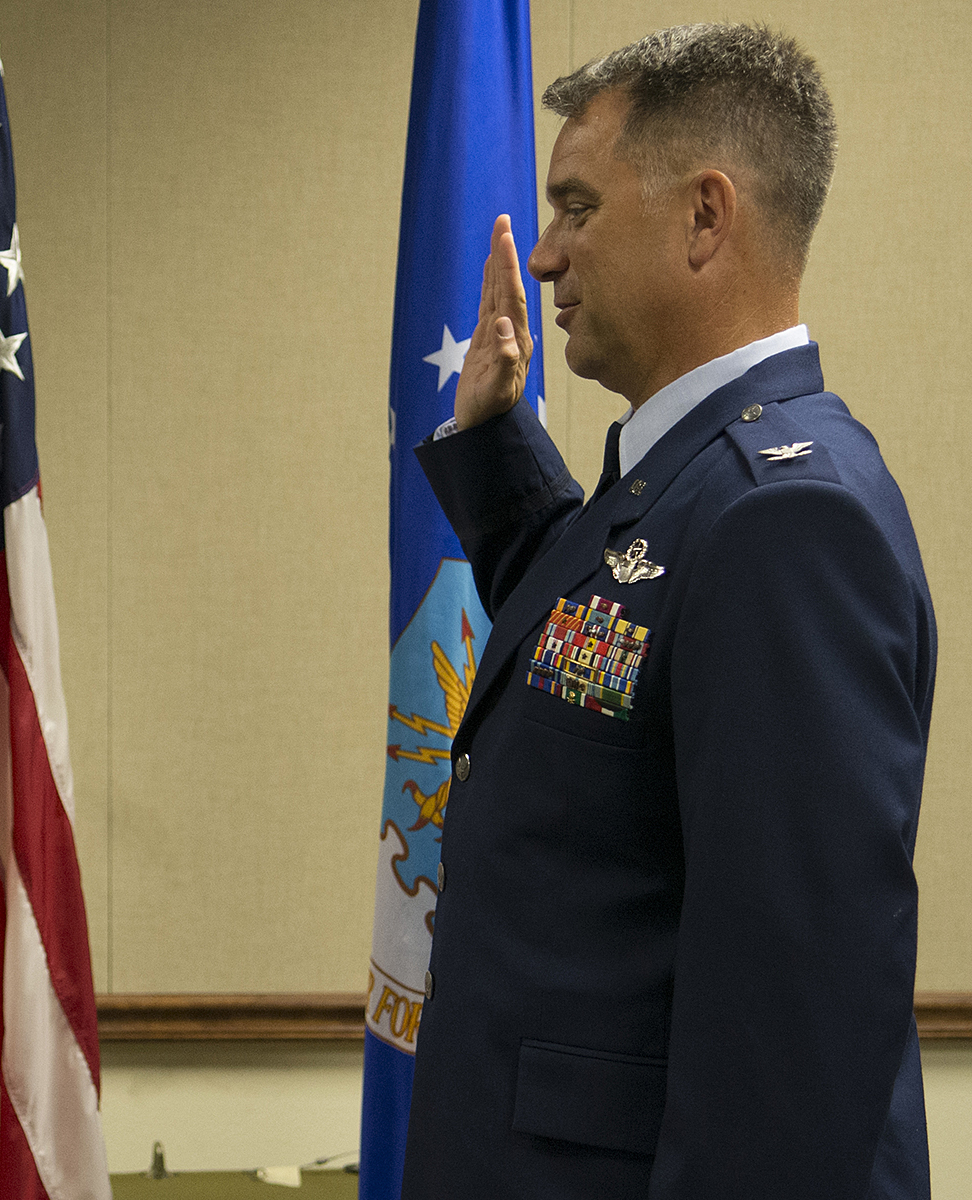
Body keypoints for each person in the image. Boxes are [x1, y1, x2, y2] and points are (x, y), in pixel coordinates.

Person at [403, 24, 933, 1199]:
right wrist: (495, 453)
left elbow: (793, 1044)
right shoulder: (690, 486)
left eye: (577, 208)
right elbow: (603, 670)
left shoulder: (788, 522)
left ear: (706, 217)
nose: (542, 258)